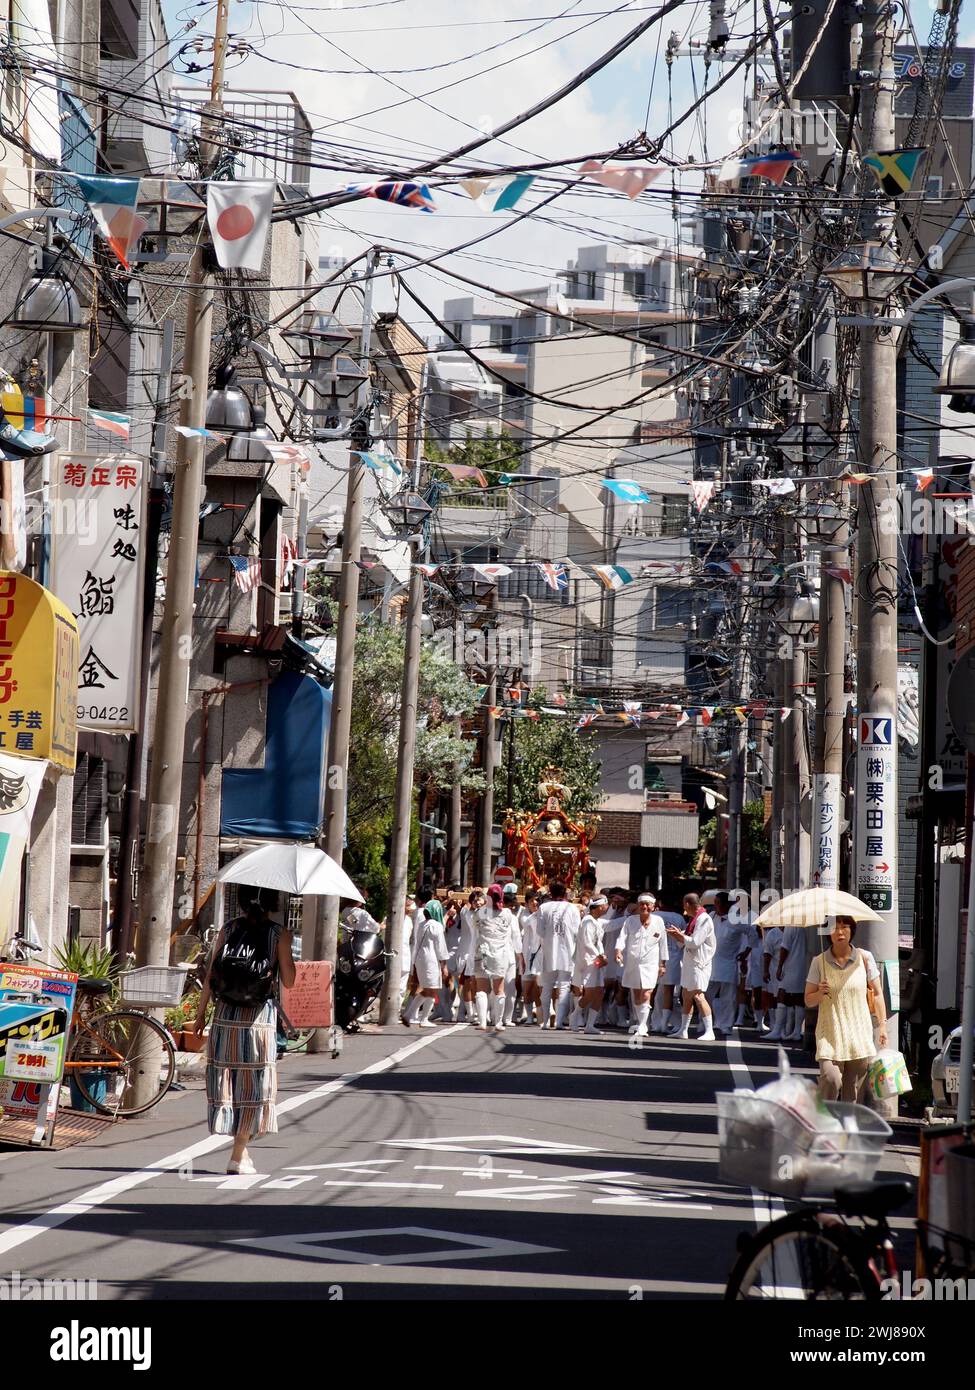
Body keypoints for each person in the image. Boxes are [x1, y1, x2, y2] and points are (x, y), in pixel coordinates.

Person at [195, 886, 295, 1175]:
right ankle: (239, 1153)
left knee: (226, 1080)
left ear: (240, 901)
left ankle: (239, 1149)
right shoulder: (279, 934)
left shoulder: (228, 929)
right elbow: (288, 981)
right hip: (258, 1021)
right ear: (274, 903)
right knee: (253, 1085)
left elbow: (212, 974)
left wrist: (201, 1014)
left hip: (225, 1016)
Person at [805, 915, 887, 1102]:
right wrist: (820, 993)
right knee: (831, 1079)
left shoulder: (865, 958)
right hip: (830, 1036)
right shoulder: (819, 962)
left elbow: (877, 993)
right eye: (835, 927)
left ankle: (847, 1128)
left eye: (845, 927)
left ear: (852, 930)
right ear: (828, 932)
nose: (840, 932)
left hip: (858, 1036)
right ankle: (826, 1122)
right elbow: (808, 1000)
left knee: (852, 1094)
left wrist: (882, 1026)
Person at [616, 893, 669, 1037]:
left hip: (651, 963)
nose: (644, 907)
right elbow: (622, 937)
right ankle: (641, 1022)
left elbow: (663, 944)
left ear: (653, 906)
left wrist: (662, 964)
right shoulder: (630, 921)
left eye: (647, 904)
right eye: (642, 904)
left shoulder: (658, 921)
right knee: (637, 994)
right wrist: (618, 951)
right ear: (638, 906)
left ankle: (643, 1025)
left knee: (647, 992)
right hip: (633, 963)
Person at [666, 892, 716, 1041]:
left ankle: (709, 1031)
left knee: (698, 996)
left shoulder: (704, 919)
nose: (684, 908)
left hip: (699, 963)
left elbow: (695, 942)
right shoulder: (694, 920)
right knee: (686, 996)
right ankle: (683, 1029)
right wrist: (677, 935)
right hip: (689, 962)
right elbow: (684, 942)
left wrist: (680, 936)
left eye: (684, 905)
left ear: (687, 904)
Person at [474, 884, 521, 1032]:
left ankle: (482, 1022)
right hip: (500, 955)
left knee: (481, 989)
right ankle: (498, 1023)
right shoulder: (507, 913)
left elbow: (475, 926)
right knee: (499, 990)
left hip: (482, 952)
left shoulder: (480, 912)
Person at [536, 880, 580, 1028]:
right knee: (564, 986)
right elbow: (576, 931)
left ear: (550, 892)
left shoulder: (543, 908)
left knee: (547, 986)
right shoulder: (572, 908)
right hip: (567, 950)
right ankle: (560, 1021)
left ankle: (546, 1021)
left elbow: (540, 931)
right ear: (565, 892)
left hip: (549, 950)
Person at [707, 891, 750, 1036]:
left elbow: (753, 934)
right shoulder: (710, 917)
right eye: (715, 903)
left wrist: (745, 953)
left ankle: (726, 1025)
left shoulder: (736, 920)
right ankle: (706, 1022)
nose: (715, 906)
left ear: (726, 904)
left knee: (728, 996)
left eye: (718, 903)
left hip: (728, 963)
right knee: (705, 994)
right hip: (709, 963)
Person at [404, 893, 449, 1027]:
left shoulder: (422, 924)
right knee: (432, 989)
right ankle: (424, 1019)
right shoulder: (436, 926)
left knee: (426, 989)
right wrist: (444, 965)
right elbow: (440, 947)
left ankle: (408, 1014)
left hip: (419, 958)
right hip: (431, 960)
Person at [571, 894, 609, 1033]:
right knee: (590, 992)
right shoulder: (588, 921)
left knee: (599, 992)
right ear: (599, 907)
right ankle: (574, 1016)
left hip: (597, 962)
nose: (607, 907)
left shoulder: (596, 921)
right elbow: (587, 943)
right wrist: (599, 955)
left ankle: (590, 1025)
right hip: (588, 962)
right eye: (606, 904)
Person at [650, 893, 686, 1034]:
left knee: (652, 990)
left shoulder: (655, 916)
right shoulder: (679, 918)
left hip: (655, 956)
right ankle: (663, 1023)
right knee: (669, 991)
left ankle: (653, 1022)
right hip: (674, 957)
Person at [776, 924, 810, 1042]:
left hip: (792, 966)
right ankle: (795, 1031)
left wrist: (779, 966)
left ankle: (778, 1029)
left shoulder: (791, 926)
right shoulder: (807, 926)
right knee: (798, 998)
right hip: (805, 966)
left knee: (783, 995)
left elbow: (784, 947)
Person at [455, 889, 484, 1022]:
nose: (477, 902)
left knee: (479, 984)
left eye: (479, 900)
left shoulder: (487, 913)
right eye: (474, 900)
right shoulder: (468, 914)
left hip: (482, 951)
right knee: (469, 983)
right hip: (469, 952)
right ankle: (471, 1014)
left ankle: (475, 1013)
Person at [518, 890, 542, 1024]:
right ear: (526, 903)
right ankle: (529, 1016)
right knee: (526, 988)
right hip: (527, 956)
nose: (535, 903)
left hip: (540, 956)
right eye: (531, 901)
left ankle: (540, 1015)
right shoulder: (524, 915)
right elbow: (528, 923)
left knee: (538, 987)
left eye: (537, 900)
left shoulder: (543, 915)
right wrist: (538, 913)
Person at [502, 883, 524, 1024]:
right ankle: (507, 1018)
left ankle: (494, 1017)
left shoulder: (489, 914)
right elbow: (516, 937)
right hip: (509, 955)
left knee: (495, 988)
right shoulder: (512, 917)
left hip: (493, 955)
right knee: (509, 988)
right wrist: (520, 955)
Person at [762, 922, 786, 1038]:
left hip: (791, 971)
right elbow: (767, 954)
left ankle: (786, 1028)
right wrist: (765, 971)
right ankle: (774, 1025)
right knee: (774, 998)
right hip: (775, 971)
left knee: (788, 999)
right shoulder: (772, 934)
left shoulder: (795, 931)